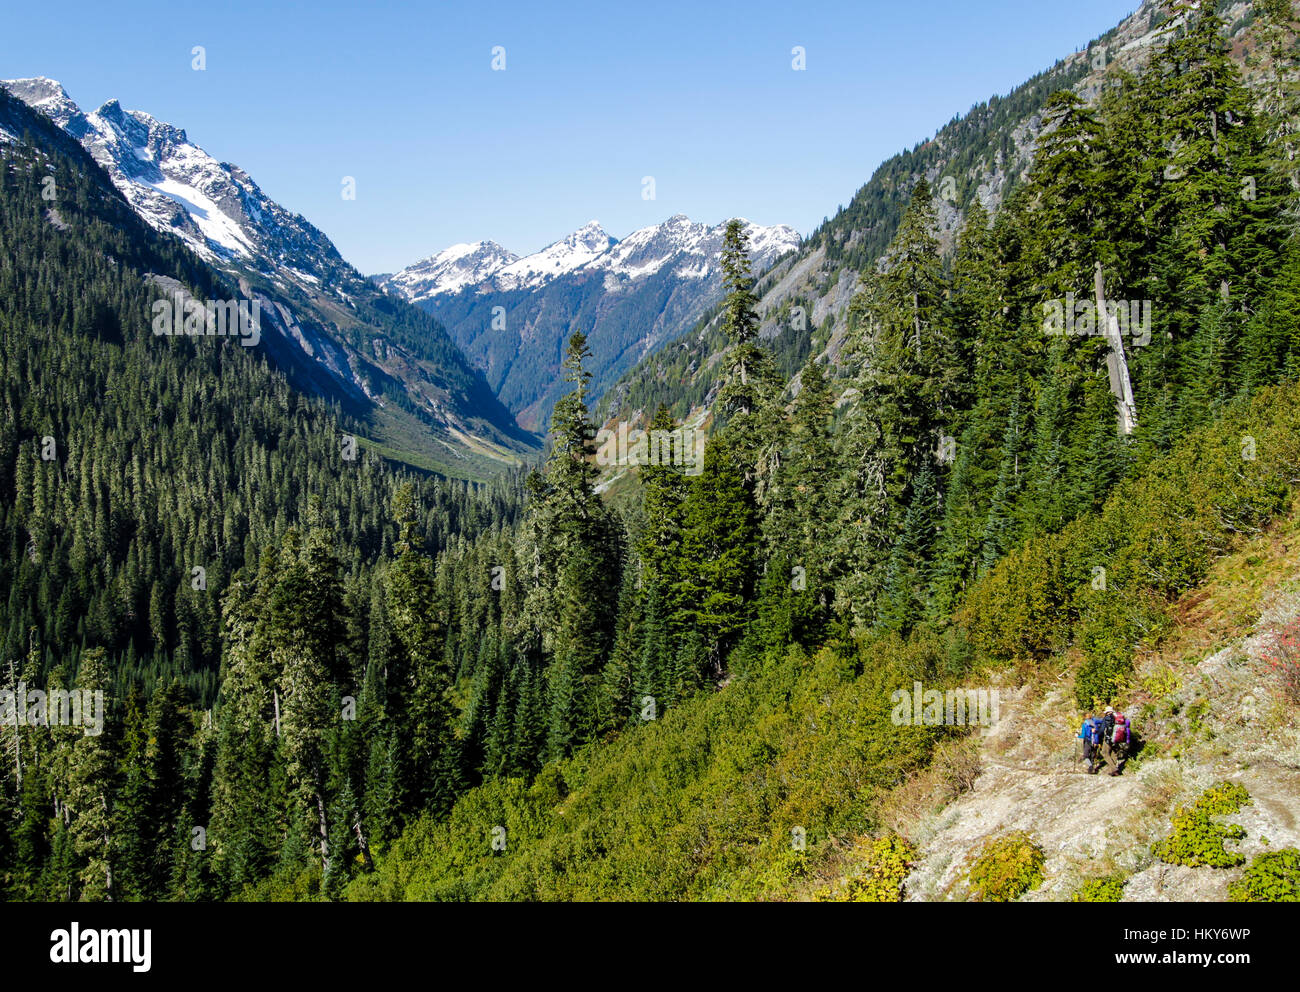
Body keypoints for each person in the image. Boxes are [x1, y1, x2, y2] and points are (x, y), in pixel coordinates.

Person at [1102, 705, 1131, 776]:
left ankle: (1114, 768)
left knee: (1105, 753)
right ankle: (1115, 771)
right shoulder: (1118, 718)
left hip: (1109, 738)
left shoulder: (1107, 718)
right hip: (1118, 738)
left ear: (1107, 712)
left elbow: (1102, 729)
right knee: (1113, 753)